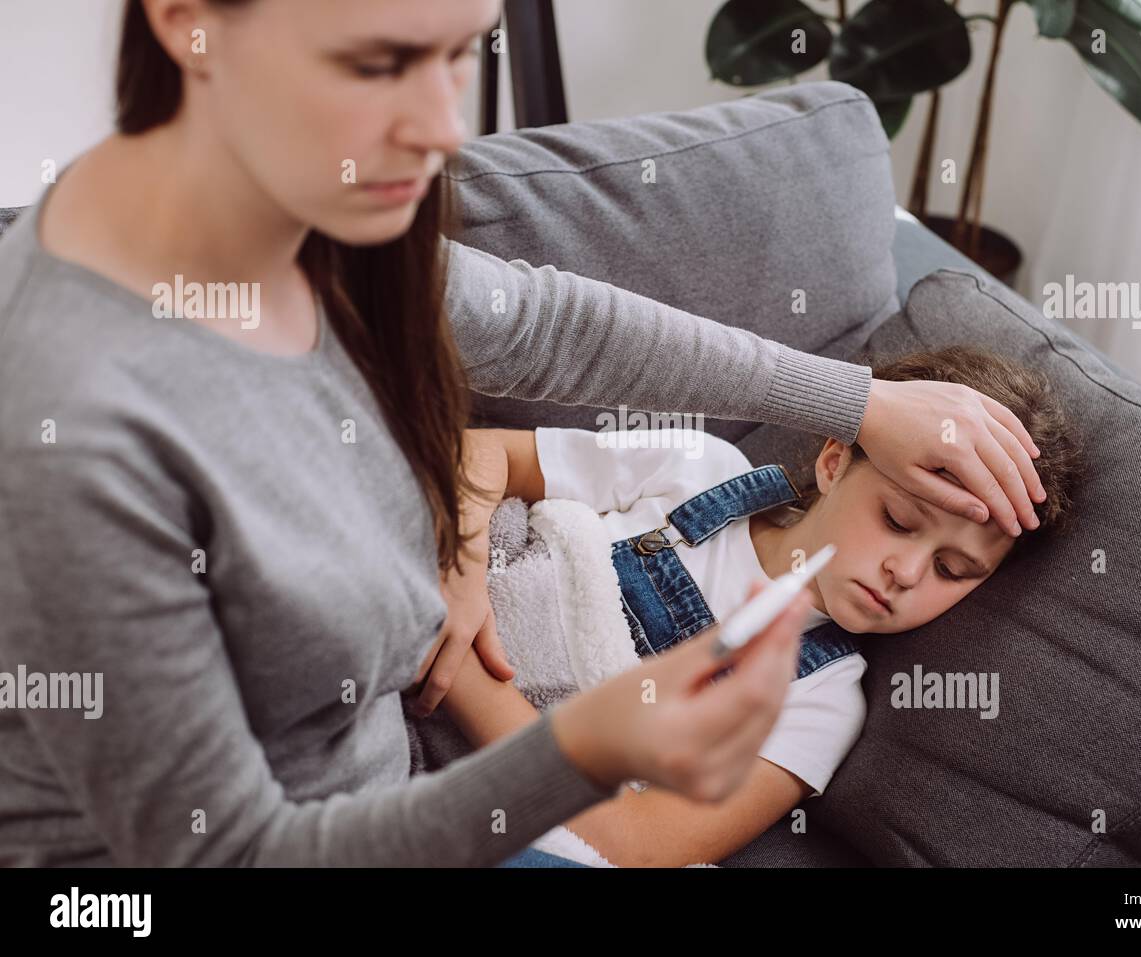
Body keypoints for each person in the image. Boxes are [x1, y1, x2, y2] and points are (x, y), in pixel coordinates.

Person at [0, 0, 1045, 867]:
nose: (445, 127)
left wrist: (861, 402)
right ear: (190, 24)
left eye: (462, 53)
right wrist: (581, 748)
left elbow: (551, 324)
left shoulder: (326, 224)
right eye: (380, 63)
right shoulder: (77, 432)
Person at [439, 346, 1082, 866]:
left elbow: (638, 846)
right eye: (898, 519)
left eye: (952, 570)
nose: (906, 572)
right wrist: (456, 577)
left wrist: (456, 660)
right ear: (834, 461)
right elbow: (478, 455)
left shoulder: (822, 699)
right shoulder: (699, 471)